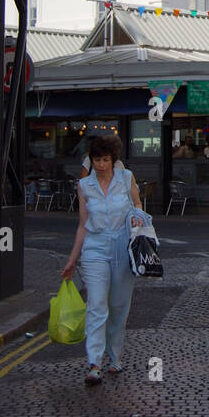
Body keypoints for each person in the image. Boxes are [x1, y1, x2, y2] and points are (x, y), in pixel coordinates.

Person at [62, 136, 147, 386]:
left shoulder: (126, 177)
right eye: (97, 160)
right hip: (95, 247)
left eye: (105, 160)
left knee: (119, 305)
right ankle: (94, 363)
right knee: (97, 304)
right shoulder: (84, 185)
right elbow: (82, 225)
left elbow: (138, 204)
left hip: (123, 245)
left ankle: (115, 356)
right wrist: (72, 260)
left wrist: (137, 219)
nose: (101, 165)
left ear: (113, 159)